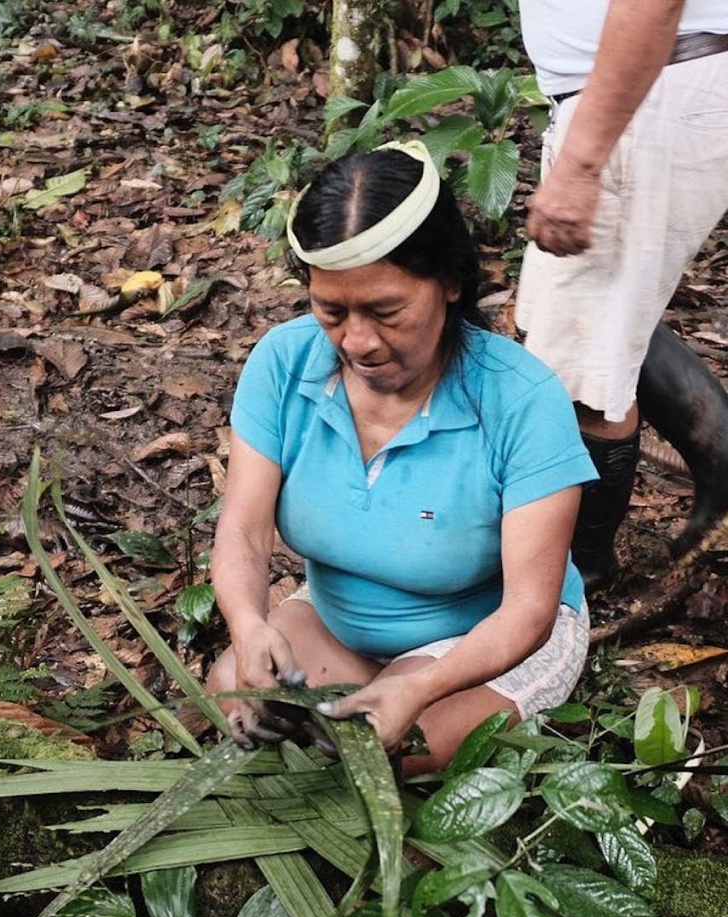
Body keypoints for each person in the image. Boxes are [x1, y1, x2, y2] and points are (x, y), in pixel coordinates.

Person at [205, 141, 598, 775]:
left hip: (482, 641)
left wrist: (420, 686)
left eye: (386, 312)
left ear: (448, 283)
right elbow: (245, 532)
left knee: (381, 763)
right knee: (236, 697)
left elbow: (528, 609)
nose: (357, 342)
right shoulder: (285, 363)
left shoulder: (520, 400)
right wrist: (249, 626)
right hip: (337, 620)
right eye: (330, 311)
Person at [515, 0, 728, 589]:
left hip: (644, 94)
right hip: (630, 93)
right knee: (594, 323)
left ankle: (578, 576)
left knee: (582, 375)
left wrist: (584, 163)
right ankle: (719, 452)